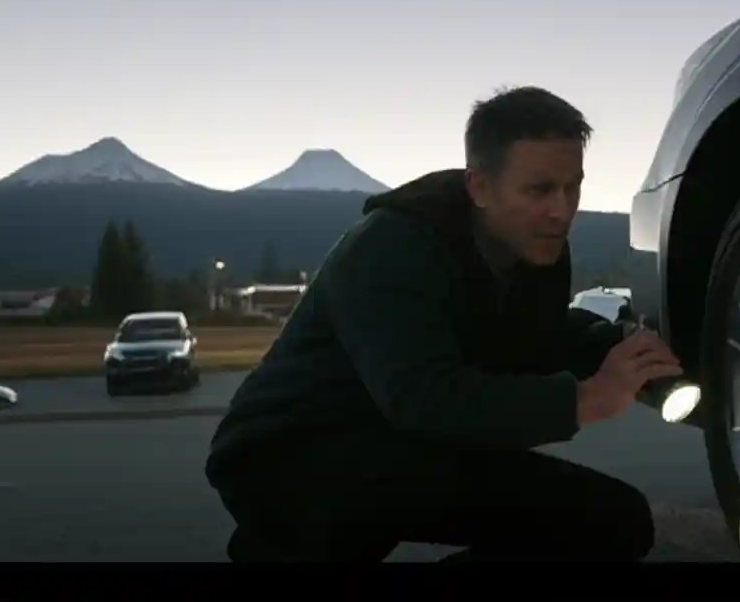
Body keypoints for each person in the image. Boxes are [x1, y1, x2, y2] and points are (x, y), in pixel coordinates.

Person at [204, 85, 684, 562]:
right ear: (479, 186)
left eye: (572, 186)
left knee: (613, 521)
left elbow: (535, 339)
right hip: (290, 456)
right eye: (539, 189)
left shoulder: (536, 246)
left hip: (405, 448)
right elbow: (424, 398)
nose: (561, 210)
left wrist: (620, 346)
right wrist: (586, 399)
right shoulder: (390, 248)